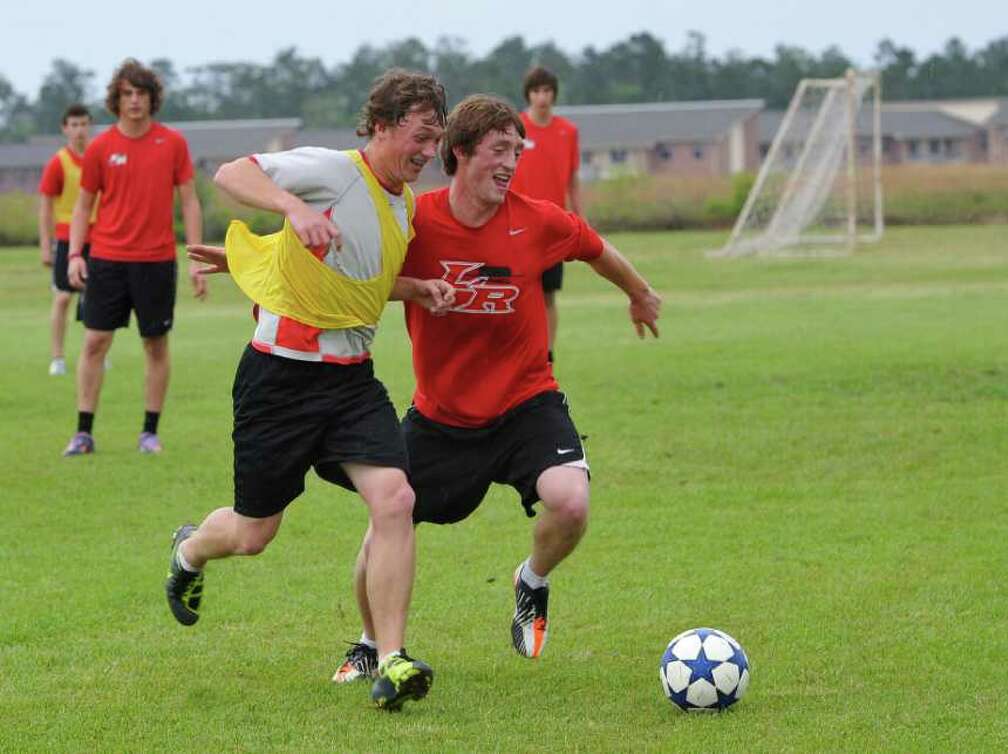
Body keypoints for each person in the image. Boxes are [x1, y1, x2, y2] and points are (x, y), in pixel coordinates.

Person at [330, 94, 660, 682]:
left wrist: (638, 292)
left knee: (571, 501)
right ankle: (366, 642)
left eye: (517, 150)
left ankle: (531, 579)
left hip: (526, 403)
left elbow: (595, 248)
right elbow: (358, 273)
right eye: (498, 149)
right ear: (460, 153)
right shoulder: (415, 219)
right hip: (441, 418)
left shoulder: (536, 220)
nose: (510, 162)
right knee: (388, 524)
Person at [168, 69, 454, 712]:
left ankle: (392, 660)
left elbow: (358, 280)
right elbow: (232, 173)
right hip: (280, 381)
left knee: (395, 497)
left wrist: (416, 288)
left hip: (351, 382)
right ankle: (189, 551)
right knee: (251, 533)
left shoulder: (403, 203)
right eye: (419, 135)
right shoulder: (331, 169)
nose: (427, 151)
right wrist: (292, 209)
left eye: (436, 139)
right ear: (381, 126)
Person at [62, 59, 206, 456]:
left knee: (156, 344)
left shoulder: (173, 143)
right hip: (107, 259)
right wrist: (76, 253)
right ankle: (83, 433)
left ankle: (149, 432)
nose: (135, 100)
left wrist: (195, 258)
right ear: (116, 99)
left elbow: (190, 202)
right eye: (127, 93)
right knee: (94, 342)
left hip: (156, 260)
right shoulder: (101, 147)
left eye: (141, 93)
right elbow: (81, 207)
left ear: (152, 98)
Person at [508, 66, 582, 361]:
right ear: (528, 94)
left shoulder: (568, 131)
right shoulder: (516, 128)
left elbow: (573, 179)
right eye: (537, 91)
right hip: (517, 223)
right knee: (519, 290)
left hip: (552, 226)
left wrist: (580, 215)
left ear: (554, 94)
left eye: (547, 91)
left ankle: (546, 353)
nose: (542, 97)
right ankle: (517, 347)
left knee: (548, 293)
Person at [38, 103, 96, 377]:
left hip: (99, 237)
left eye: (83, 124)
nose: (79, 130)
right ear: (65, 128)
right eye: (74, 125)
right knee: (63, 298)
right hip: (65, 238)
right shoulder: (58, 162)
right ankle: (57, 357)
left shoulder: (99, 158)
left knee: (96, 298)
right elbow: (46, 206)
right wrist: (46, 244)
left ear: (90, 126)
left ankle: (95, 352)